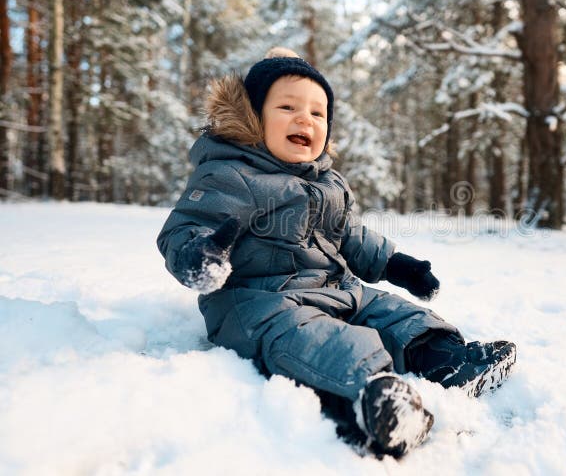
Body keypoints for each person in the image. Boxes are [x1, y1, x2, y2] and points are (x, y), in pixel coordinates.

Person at [156, 47, 516, 457]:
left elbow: (349, 235)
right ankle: (374, 400)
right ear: (254, 118)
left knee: (391, 313)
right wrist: (200, 257)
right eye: (287, 106)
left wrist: (397, 265)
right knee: (315, 341)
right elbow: (185, 227)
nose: (304, 119)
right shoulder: (229, 173)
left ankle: (445, 358)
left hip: (336, 289)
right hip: (258, 302)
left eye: (317, 113)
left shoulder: (329, 183)